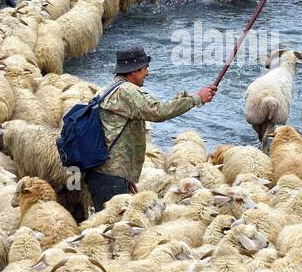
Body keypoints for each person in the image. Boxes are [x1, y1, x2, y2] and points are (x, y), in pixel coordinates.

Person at [88, 45, 215, 210]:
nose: (147, 73)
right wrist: (197, 99)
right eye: (145, 68)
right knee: (115, 226)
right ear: (134, 71)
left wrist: (126, 178)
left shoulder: (108, 89)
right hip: (111, 176)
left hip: (104, 172)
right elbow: (159, 112)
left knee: (109, 221)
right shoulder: (127, 92)